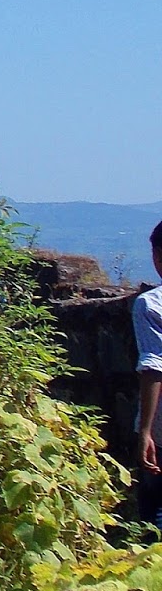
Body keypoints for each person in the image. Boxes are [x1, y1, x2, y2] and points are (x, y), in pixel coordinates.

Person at [135, 221, 162, 523]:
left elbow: (155, 366)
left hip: (161, 431)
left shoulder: (151, 304)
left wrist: (145, 430)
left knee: (155, 522)